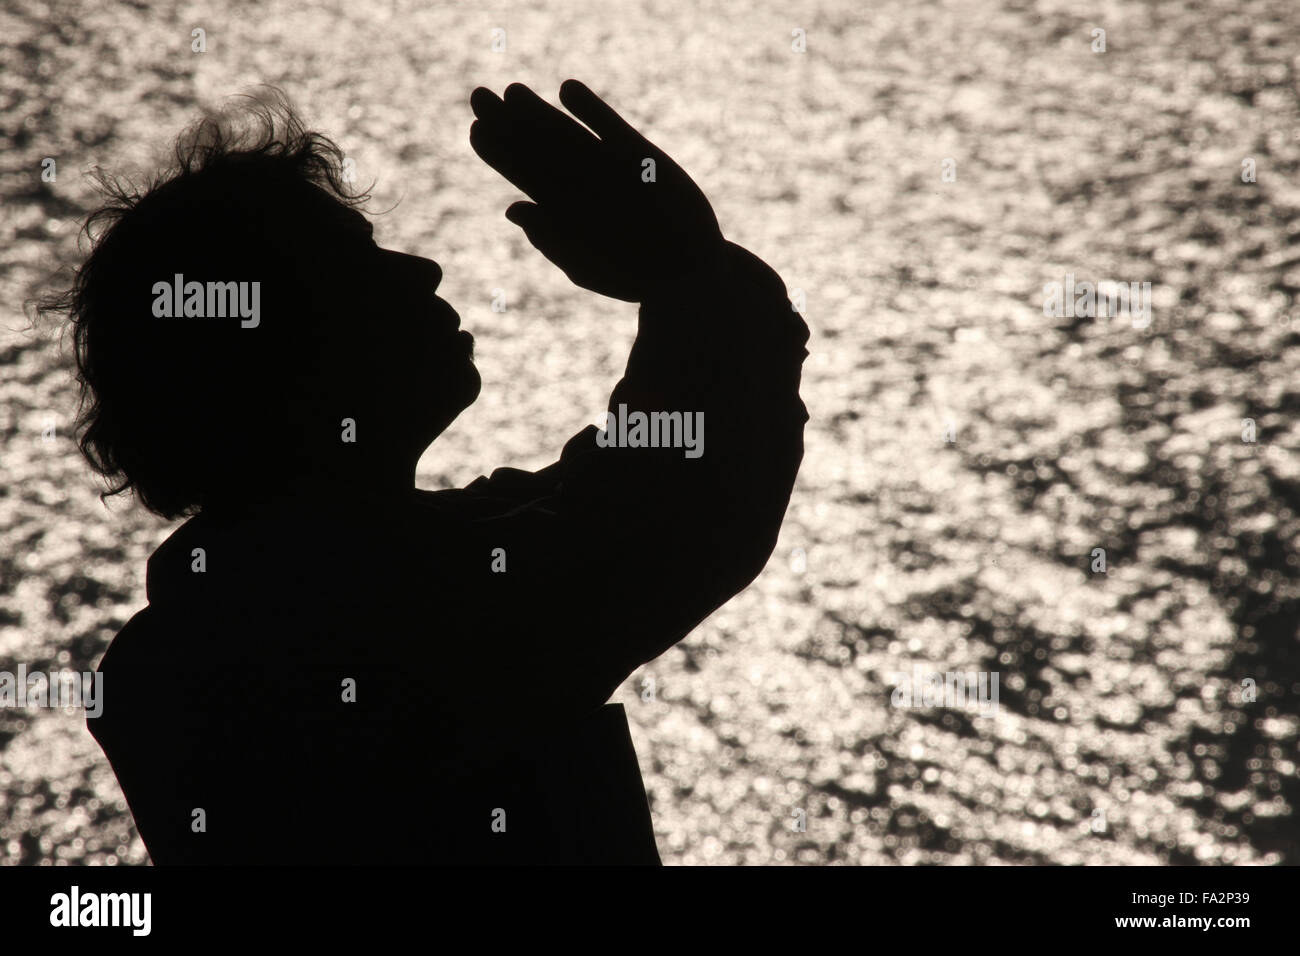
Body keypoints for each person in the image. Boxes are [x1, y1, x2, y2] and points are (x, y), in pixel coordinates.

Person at [46, 80, 809, 863]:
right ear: (278, 364)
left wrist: (693, 285)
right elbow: (676, 511)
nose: (424, 268)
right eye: (355, 261)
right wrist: (693, 281)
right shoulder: (367, 621)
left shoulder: (235, 613)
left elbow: (619, 494)